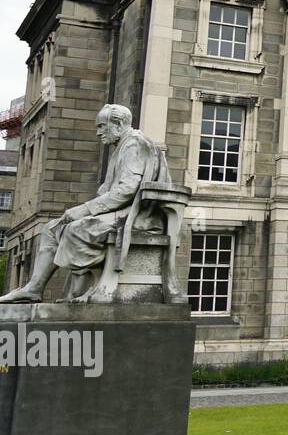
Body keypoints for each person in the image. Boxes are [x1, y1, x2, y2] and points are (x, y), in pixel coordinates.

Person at [1, 103, 167, 304]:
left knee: (75, 228)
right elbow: (110, 190)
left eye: (101, 126)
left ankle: (87, 290)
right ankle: (34, 288)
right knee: (51, 228)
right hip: (121, 211)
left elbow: (126, 191)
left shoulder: (134, 144)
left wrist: (84, 210)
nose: (98, 133)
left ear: (118, 123)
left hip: (136, 216)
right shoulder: (122, 145)